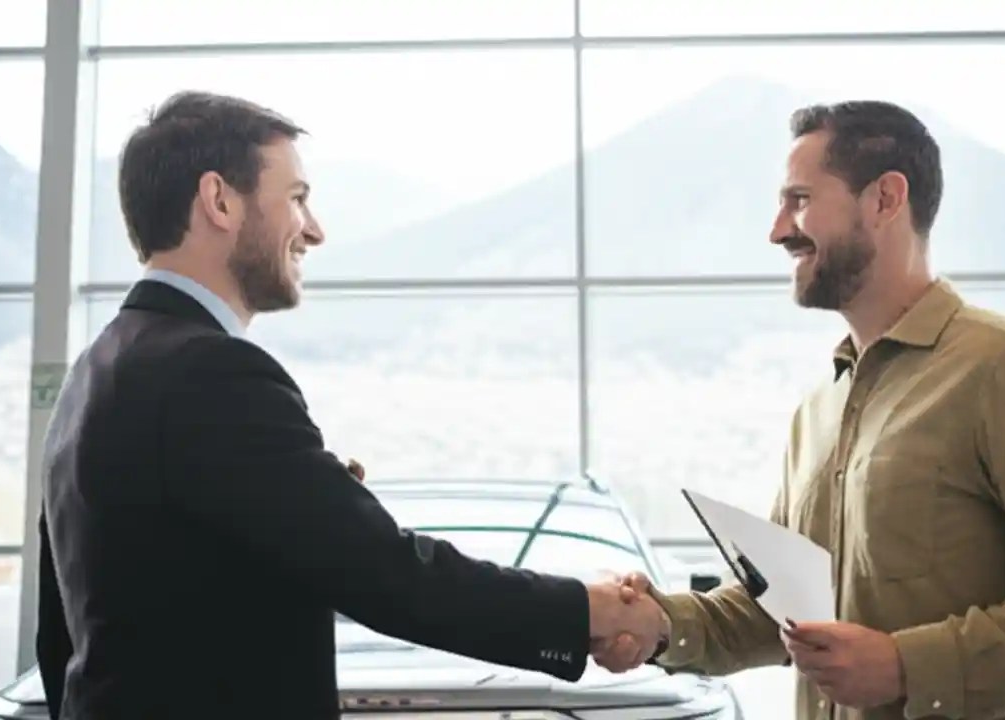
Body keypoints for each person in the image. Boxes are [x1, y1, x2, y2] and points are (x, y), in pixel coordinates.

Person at [34, 90, 664, 720]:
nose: (314, 230)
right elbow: (387, 574)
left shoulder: (93, 374)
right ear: (219, 200)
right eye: (297, 199)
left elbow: (61, 640)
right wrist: (588, 611)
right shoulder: (213, 374)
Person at [589, 100, 1005, 720]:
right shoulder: (818, 412)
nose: (778, 230)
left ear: (886, 199)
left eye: (800, 200)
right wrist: (661, 625)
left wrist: (906, 666)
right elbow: (781, 613)